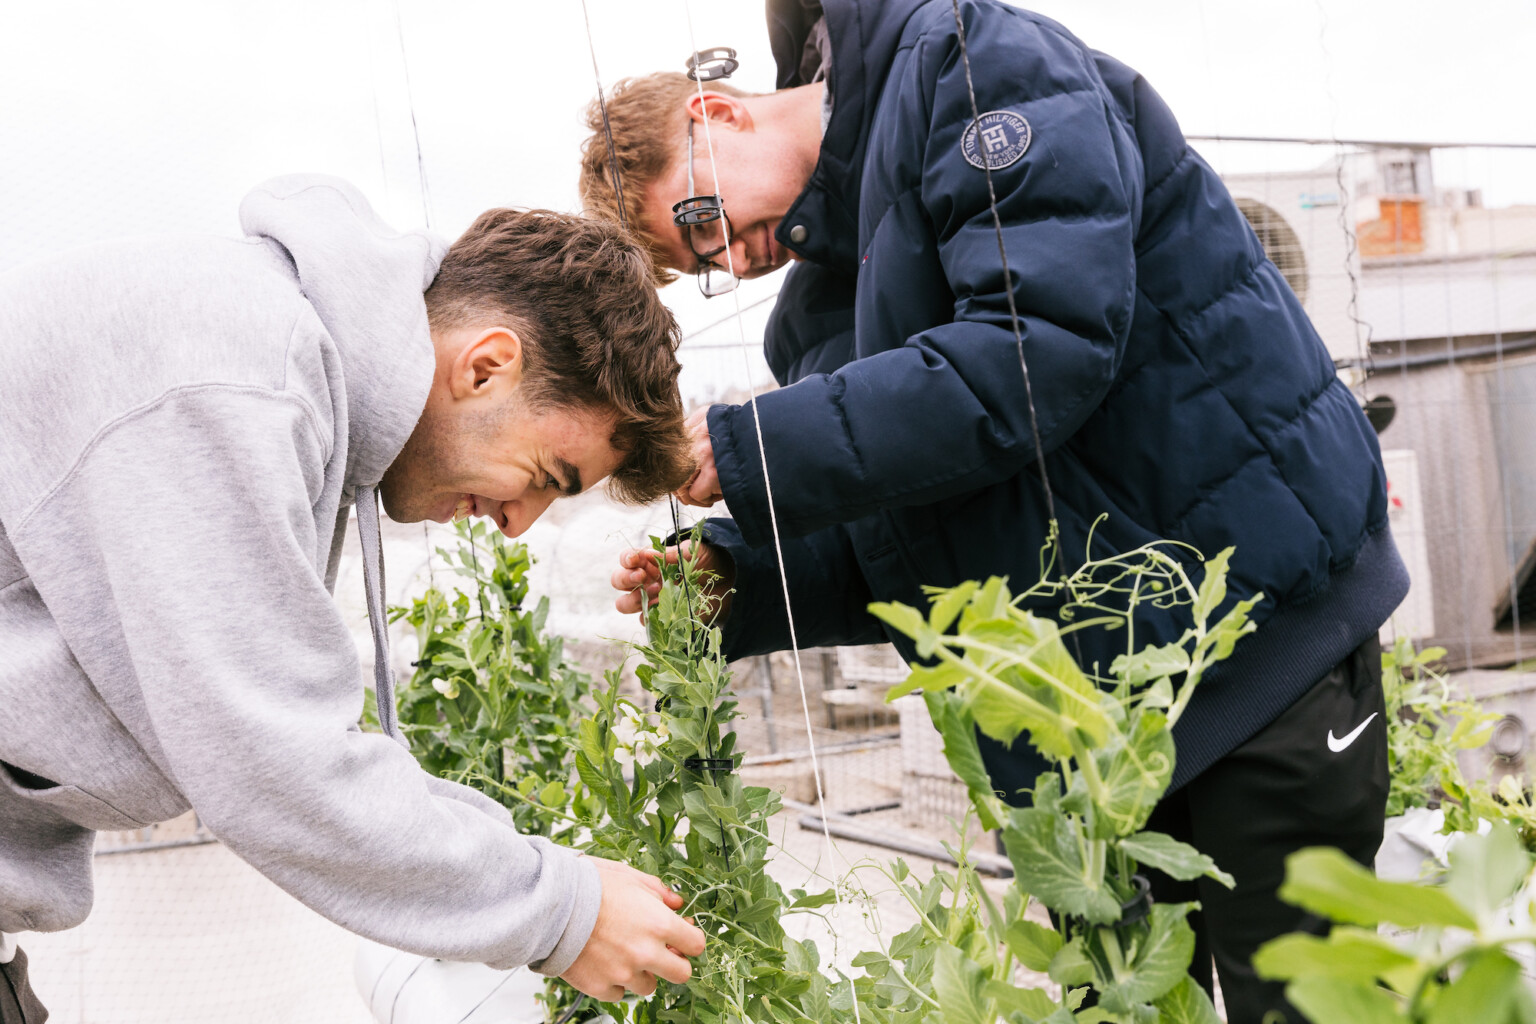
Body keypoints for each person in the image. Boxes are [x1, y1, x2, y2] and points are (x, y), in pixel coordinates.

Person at [583, 2, 1407, 1020]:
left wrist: (764, 443)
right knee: (1130, 1005)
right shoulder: (818, 318)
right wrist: (738, 581)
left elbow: (1039, 343)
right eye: (703, 262)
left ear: (718, 115)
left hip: (1248, 637)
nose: (734, 258)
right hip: (1092, 744)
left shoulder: (965, 64)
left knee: (1309, 1000)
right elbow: (911, 542)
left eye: (701, 220)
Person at [0, 175, 705, 1021]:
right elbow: (268, 754)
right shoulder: (234, 375)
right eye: (548, 476)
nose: (519, 526)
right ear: (486, 366)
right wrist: (561, 908)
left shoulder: (275, 363)